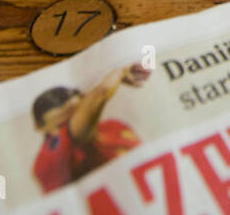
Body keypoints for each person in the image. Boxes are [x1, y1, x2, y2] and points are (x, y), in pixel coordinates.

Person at [32, 63, 151, 194]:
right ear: (40, 127)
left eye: (80, 113)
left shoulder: (113, 126)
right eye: (62, 124)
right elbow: (103, 92)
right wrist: (119, 72)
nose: (81, 120)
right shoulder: (46, 160)